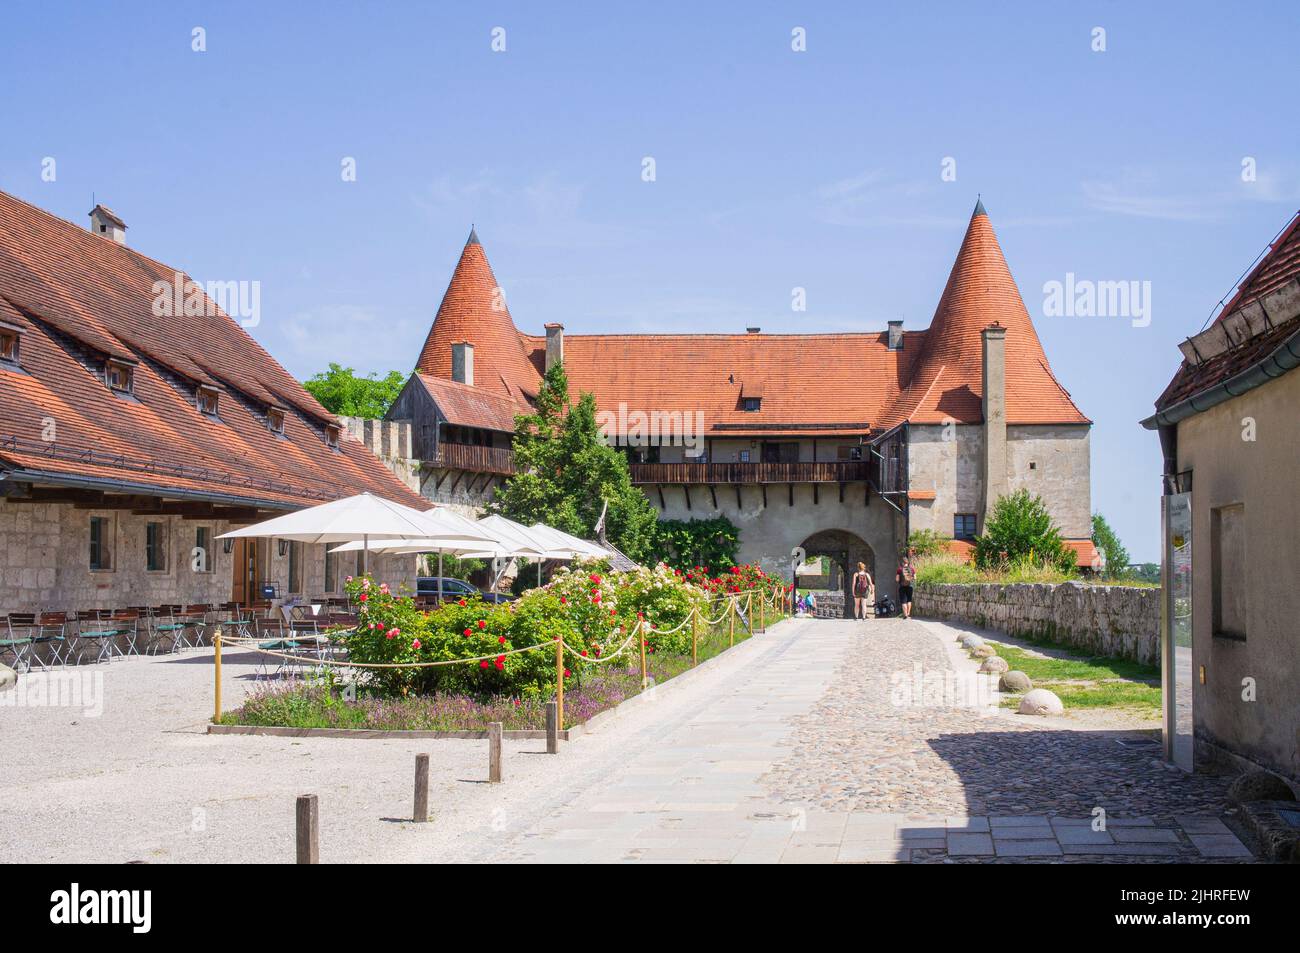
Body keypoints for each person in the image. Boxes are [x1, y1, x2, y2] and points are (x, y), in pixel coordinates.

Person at [896, 552, 916, 619]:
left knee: (903, 601)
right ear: (907, 562)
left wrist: (901, 580)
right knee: (909, 600)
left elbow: (897, 579)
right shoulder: (912, 569)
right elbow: (915, 578)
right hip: (910, 586)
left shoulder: (899, 569)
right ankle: (908, 613)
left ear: (902, 562)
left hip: (902, 587)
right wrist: (910, 579)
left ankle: (905, 614)